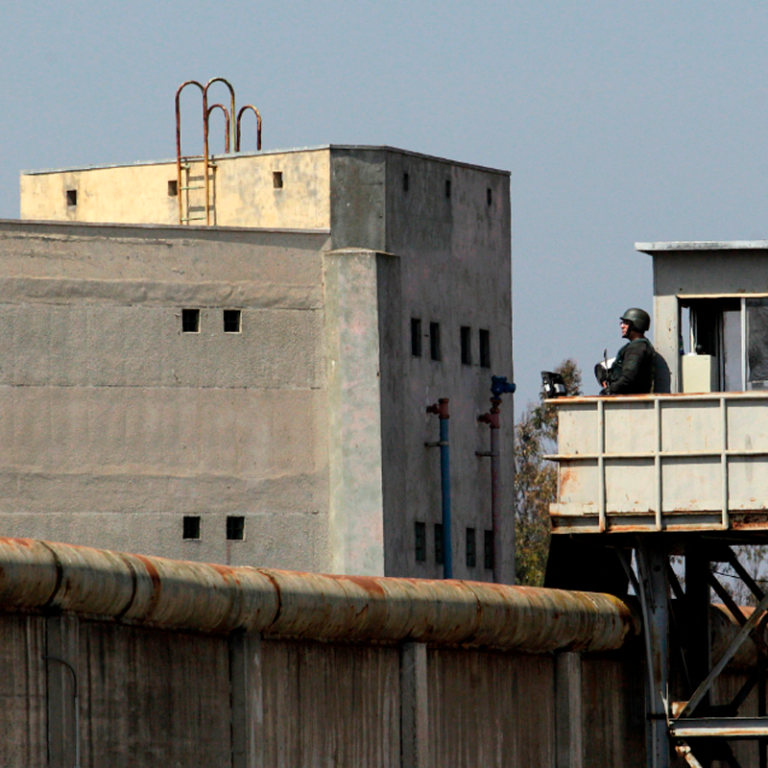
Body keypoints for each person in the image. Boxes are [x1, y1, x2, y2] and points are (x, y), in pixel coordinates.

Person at [598, 308, 655, 395]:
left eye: (626, 323)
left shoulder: (637, 348)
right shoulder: (636, 346)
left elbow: (629, 377)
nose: (622, 326)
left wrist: (610, 390)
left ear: (636, 324)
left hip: (630, 400)